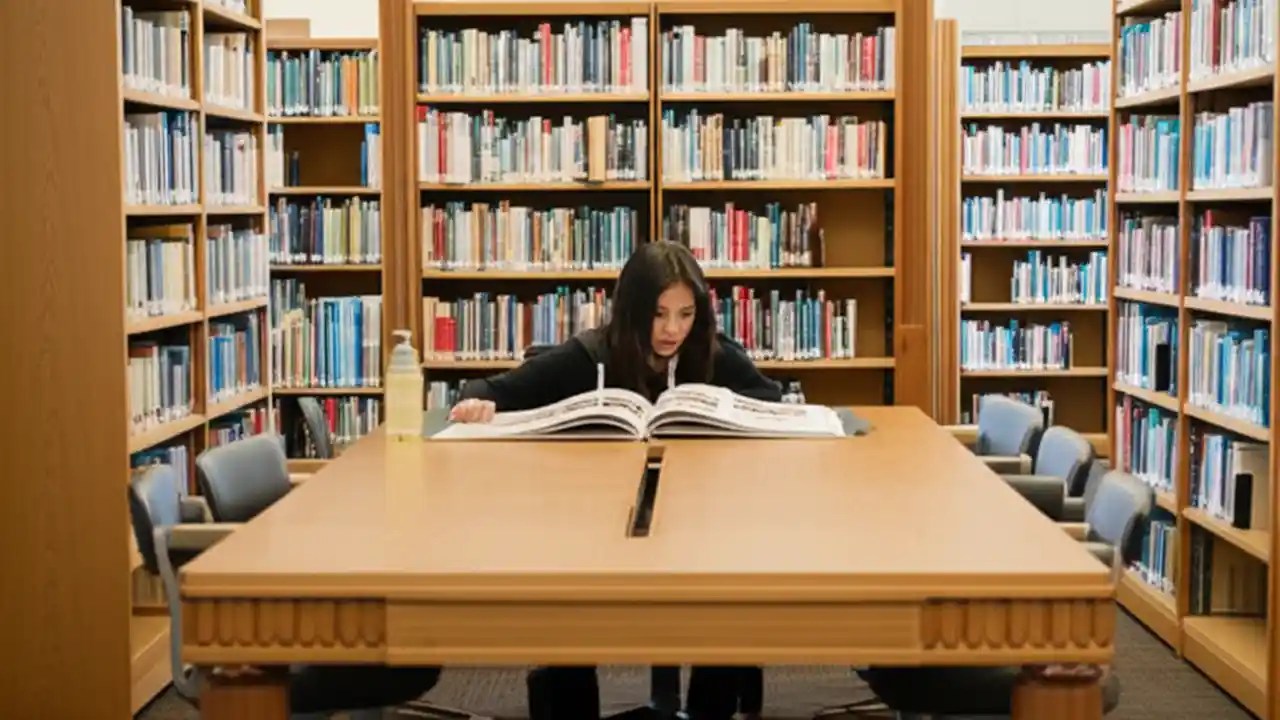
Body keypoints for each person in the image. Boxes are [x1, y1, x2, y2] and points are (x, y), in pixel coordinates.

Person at [449, 241, 779, 720]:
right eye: (658, 315)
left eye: (686, 314)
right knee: (566, 599)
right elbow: (488, 390)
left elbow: (769, 401)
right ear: (631, 312)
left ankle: (710, 707)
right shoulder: (589, 356)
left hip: (696, 523)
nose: (672, 330)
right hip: (593, 528)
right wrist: (477, 405)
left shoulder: (711, 354)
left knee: (727, 594)